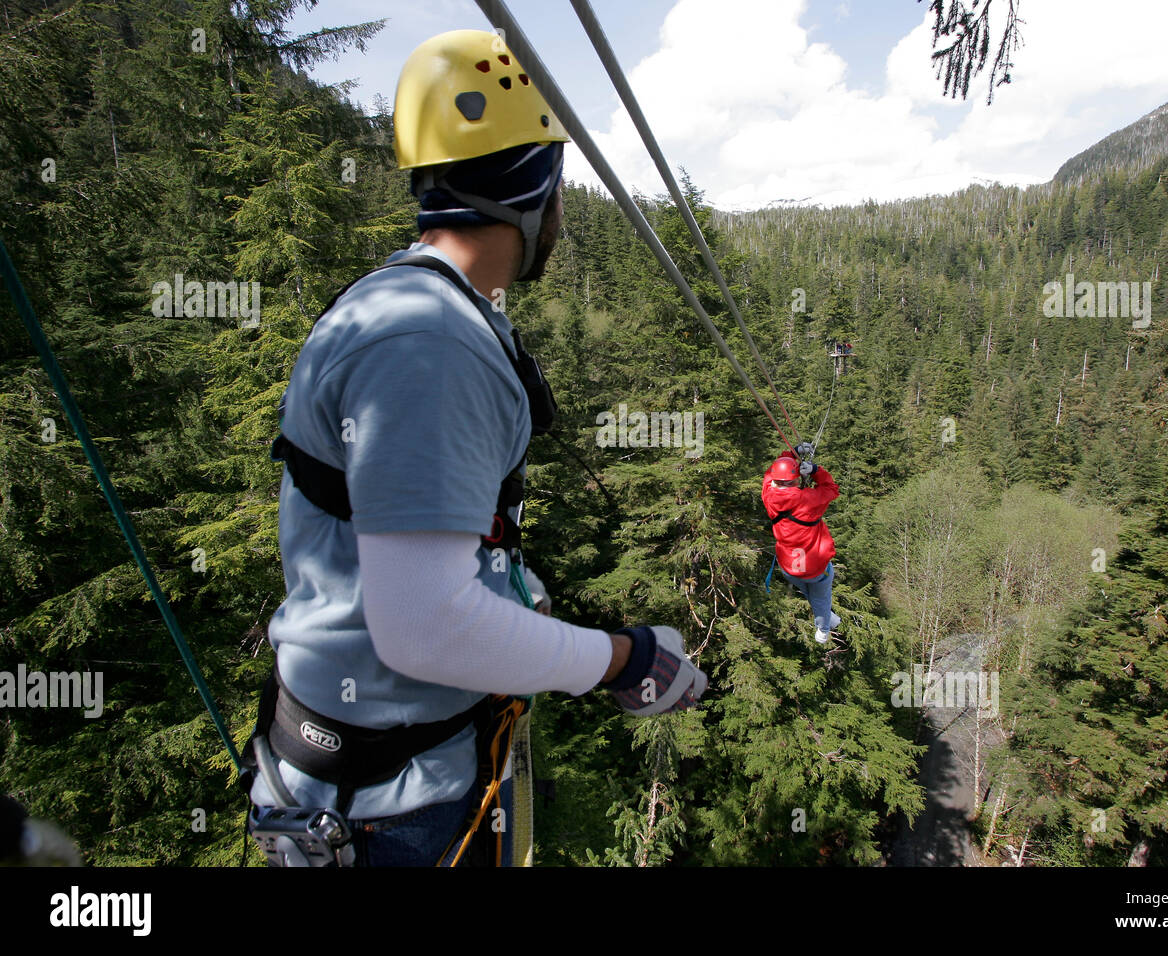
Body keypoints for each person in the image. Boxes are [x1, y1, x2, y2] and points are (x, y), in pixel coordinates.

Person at [244, 29, 707, 867]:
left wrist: (503, 584)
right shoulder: (432, 344)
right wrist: (622, 661)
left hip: (369, 779)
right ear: (536, 188)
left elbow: (404, 553)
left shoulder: (421, 308)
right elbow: (424, 629)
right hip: (391, 813)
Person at [762, 443, 841, 643]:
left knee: (814, 595)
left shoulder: (769, 497)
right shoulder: (810, 499)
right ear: (797, 480)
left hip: (789, 567)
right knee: (821, 596)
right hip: (816, 568)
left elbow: (769, 475)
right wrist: (815, 471)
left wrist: (792, 453)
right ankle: (823, 629)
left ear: (775, 483)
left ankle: (824, 614)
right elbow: (832, 489)